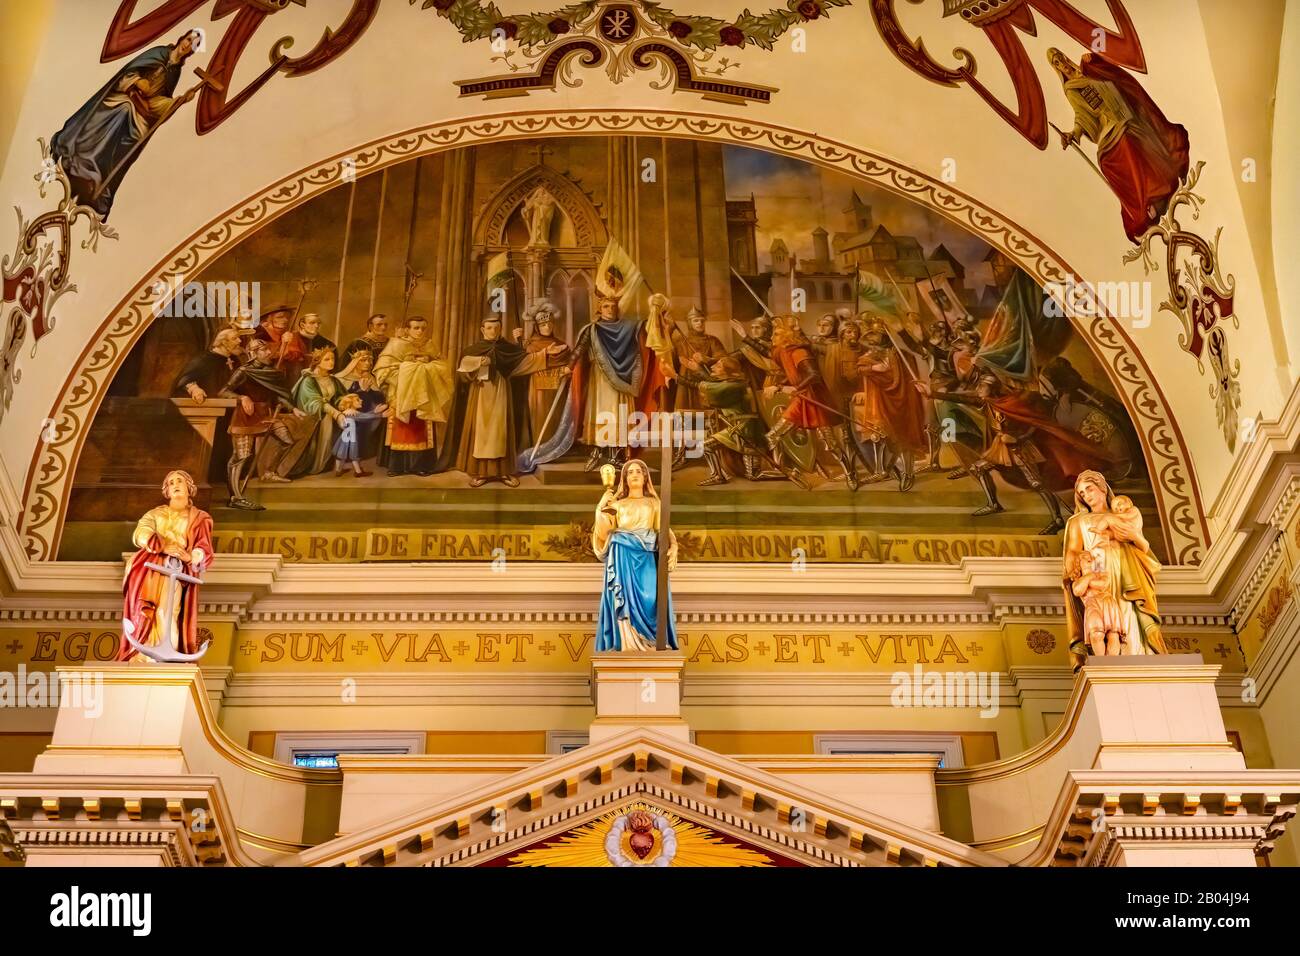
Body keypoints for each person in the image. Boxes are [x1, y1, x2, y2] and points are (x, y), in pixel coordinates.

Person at [51, 30, 201, 218]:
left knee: (139, 134)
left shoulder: (175, 72)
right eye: (188, 39)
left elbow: (159, 104)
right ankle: (85, 159)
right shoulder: (159, 53)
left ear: (193, 51)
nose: (188, 45)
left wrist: (178, 102)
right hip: (123, 96)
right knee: (124, 110)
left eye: (193, 45)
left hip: (142, 109)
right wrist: (137, 81)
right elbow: (128, 73)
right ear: (182, 38)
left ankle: (100, 176)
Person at [521, 288, 673, 474]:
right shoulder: (592, 329)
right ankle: (597, 451)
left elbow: (649, 330)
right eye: (606, 306)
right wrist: (569, 367)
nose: (610, 309)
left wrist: (656, 310)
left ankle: (616, 455)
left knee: (619, 416)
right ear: (600, 309)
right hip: (599, 380)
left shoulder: (630, 327)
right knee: (600, 413)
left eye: (613, 306)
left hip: (623, 382)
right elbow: (579, 350)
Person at [1048, 47, 1190, 243]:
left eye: (1060, 58)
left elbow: (1113, 77)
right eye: (1056, 63)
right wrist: (1073, 133)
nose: (1061, 63)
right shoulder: (1071, 89)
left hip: (1123, 114)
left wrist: (1095, 62)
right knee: (1107, 161)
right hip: (1108, 125)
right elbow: (1082, 116)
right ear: (1056, 68)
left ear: (1065, 56)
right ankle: (1143, 204)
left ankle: (1155, 189)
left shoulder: (1088, 69)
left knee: (1126, 142)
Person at [442, 315, 567, 487]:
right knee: (481, 431)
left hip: (501, 393)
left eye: (496, 328)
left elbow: (526, 362)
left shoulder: (507, 348)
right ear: (482, 330)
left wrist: (545, 353)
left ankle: (503, 472)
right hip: (479, 394)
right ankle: (481, 473)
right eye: (489, 328)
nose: (493, 331)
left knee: (500, 430)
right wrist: (478, 362)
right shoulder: (473, 349)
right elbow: (462, 372)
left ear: (501, 329)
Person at [1063, 471, 1166, 669]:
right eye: (1082, 493)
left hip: (1127, 567)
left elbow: (1143, 548)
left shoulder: (1123, 515)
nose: (1087, 495)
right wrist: (1078, 572)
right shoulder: (1078, 521)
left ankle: (1137, 652)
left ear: (1102, 487)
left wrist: (1134, 536)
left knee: (1128, 608)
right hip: (1098, 567)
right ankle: (1110, 659)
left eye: (1089, 489)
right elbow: (1073, 551)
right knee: (1105, 613)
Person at [119, 469, 212, 661]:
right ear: (167, 491)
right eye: (171, 483)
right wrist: (162, 545)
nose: (175, 485)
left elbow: (203, 547)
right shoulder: (155, 513)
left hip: (176, 569)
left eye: (180, 481)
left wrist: (190, 556)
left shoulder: (200, 517)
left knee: (168, 610)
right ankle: (142, 654)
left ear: (189, 488)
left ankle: (164, 655)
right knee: (143, 608)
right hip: (149, 565)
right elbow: (140, 533)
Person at [593, 459, 678, 652]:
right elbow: (603, 531)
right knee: (622, 599)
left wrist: (674, 546)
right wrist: (600, 507)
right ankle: (626, 644)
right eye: (630, 472)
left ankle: (649, 642)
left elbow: (663, 530)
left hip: (647, 557)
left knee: (651, 598)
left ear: (645, 477)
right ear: (624, 479)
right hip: (622, 554)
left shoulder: (654, 503)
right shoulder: (618, 504)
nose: (634, 475)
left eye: (639, 471)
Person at [765, 316, 858, 490]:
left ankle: (849, 473)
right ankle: (786, 473)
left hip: (812, 399)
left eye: (776, 334)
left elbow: (813, 375)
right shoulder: (784, 352)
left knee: (830, 443)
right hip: (800, 399)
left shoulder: (799, 352)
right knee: (773, 436)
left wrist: (791, 388)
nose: (772, 337)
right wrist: (781, 385)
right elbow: (793, 374)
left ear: (786, 336)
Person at [218, 337, 301, 510]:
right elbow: (224, 391)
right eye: (264, 350)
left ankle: (269, 472)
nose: (269, 352)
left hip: (266, 415)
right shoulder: (244, 371)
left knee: (287, 440)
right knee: (241, 456)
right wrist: (242, 397)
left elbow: (277, 394)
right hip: (246, 417)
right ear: (254, 354)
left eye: (268, 349)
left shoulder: (271, 371)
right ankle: (235, 497)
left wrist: (292, 408)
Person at [374, 315, 454, 476]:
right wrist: (409, 368)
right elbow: (383, 370)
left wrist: (428, 367)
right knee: (402, 431)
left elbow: (444, 366)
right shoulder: (396, 344)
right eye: (416, 328)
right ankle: (397, 467)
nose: (420, 331)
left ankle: (421, 466)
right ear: (407, 329)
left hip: (424, 396)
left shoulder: (430, 345)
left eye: (423, 328)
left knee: (422, 431)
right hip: (401, 394)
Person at [286, 347, 351, 477]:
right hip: (312, 420)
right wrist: (336, 414)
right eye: (327, 359)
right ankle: (314, 465)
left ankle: (331, 464)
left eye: (332, 359)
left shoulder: (333, 380)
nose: (331, 362)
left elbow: (339, 397)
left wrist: (345, 403)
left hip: (329, 417)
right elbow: (314, 403)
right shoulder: (308, 380)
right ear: (317, 362)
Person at [519, 303, 569, 446]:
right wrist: (544, 353)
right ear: (537, 327)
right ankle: (538, 446)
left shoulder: (562, 344)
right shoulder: (531, 345)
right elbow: (525, 365)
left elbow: (570, 364)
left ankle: (555, 448)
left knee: (556, 416)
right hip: (537, 388)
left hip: (558, 387)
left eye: (549, 324)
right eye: (543, 325)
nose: (547, 327)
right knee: (540, 416)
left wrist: (568, 370)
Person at [335, 349, 388, 464]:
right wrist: (361, 391)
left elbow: (379, 397)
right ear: (354, 362)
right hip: (352, 417)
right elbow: (341, 398)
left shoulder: (371, 378)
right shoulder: (342, 378)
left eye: (369, 361)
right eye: (363, 360)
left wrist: (370, 393)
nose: (368, 363)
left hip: (369, 413)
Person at [173, 327, 242, 402]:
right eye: (235, 338)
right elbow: (184, 379)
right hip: (209, 406)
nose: (240, 341)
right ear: (224, 342)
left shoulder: (235, 360)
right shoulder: (204, 359)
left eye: (239, 338)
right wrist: (195, 389)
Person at [278, 312, 336, 381]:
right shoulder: (291, 337)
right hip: (293, 379)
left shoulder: (327, 343)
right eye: (312, 323)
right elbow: (285, 357)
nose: (316, 326)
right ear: (302, 325)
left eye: (318, 323)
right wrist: (285, 344)